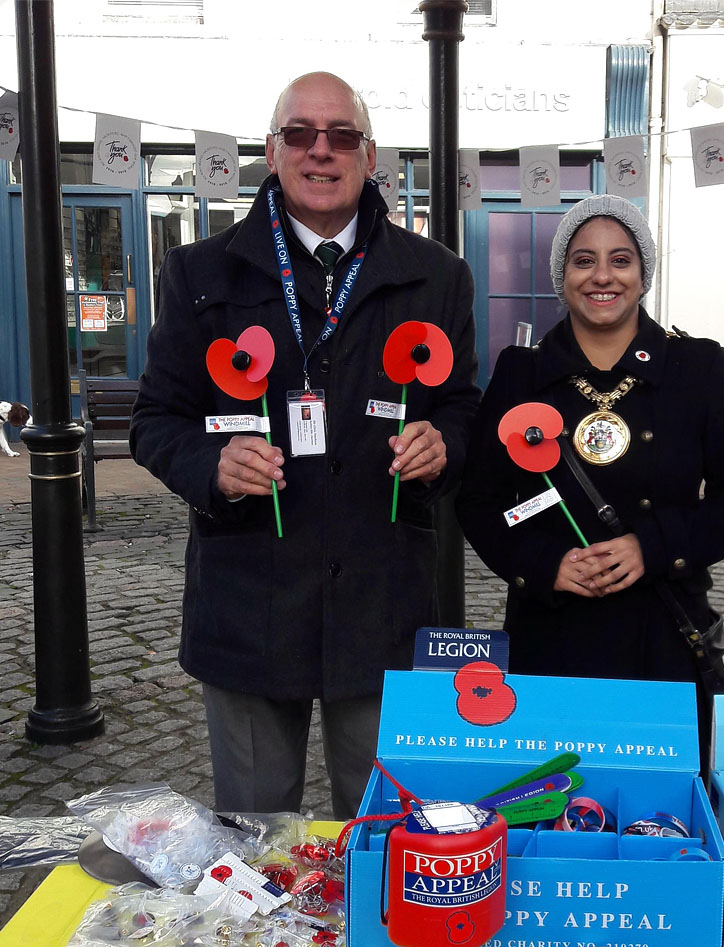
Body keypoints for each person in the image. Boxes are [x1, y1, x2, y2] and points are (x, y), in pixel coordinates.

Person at [130, 72, 480, 818]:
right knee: (255, 836)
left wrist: (444, 443)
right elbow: (156, 419)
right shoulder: (200, 272)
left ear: (369, 155)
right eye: (300, 134)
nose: (321, 151)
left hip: (383, 598)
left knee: (384, 832)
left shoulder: (436, 276)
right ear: (271, 150)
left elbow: (462, 407)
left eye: (342, 135)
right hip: (249, 597)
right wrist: (212, 465)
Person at [455, 195, 724, 775]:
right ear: (561, 278)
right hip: (551, 635)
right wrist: (543, 563)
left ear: (643, 274)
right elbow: (480, 501)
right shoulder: (521, 373)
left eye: (620, 260)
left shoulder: (697, 368)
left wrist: (653, 546)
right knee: (550, 799)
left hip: (662, 633)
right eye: (583, 260)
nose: (602, 276)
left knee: (663, 803)